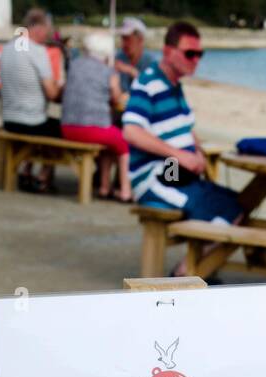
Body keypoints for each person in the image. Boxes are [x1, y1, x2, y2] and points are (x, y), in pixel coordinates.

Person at [122, 21, 239, 228]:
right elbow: (131, 131)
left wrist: (197, 152)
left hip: (173, 167)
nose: (195, 60)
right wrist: (180, 155)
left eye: (199, 54)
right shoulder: (148, 82)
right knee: (213, 209)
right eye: (189, 54)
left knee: (235, 203)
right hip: (156, 172)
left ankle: (194, 260)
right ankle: (192, 261)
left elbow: (185, 127)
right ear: (168, 51)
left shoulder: (175, 85)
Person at [0, 7, 63, 193]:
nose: (48, 36)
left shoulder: (8, 48)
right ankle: (43, 176)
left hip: (8, 119)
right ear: (39, 28)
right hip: (31, 121)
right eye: (47, 31)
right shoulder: (36, 51)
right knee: (63, 128)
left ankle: (26, 170)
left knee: (41, 125)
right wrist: (63, 89)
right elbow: (52, 93)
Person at [61, 32, 130, 201]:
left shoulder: (74, 65)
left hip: (67, 128)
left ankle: (104, 187)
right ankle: (125, 191)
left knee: (108, 142)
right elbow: (117, 98)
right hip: (92, 129)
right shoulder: (108, 72)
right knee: (123, 143)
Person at [114, 16, 155, 97]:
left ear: (140, 40)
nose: (124, 44)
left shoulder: (151, 61)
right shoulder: (119, 57)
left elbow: (153, 89)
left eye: (128, 39)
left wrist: (131, 71)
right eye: (123, 39)